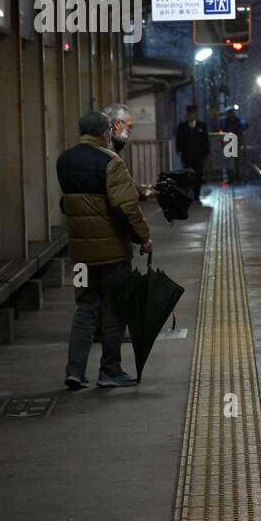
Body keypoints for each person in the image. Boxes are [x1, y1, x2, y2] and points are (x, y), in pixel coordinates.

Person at [56, 110, 151, 390]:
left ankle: (74, 371)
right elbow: (125, 207)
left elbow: (67, 205)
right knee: (114, 310)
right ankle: (110, 370)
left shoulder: (64, 161)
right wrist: (142, 238)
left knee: (85, 309)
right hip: (112, 254)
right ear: (107, 133)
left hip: (81, 257)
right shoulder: (111, 161)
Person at [175, 105, 210, 202]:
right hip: (187, 156)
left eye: (193, 113)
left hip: (199, 156)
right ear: (187, 114)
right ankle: (189, 194)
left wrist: (206, 152)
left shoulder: (201, 125)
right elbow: (179, 139)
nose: (191, 115)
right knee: (188, 176)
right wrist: (179, 150)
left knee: (198, 175)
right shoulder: (182, 126)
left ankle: (196, 194)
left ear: (196, 114)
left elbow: (205, 140)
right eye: (190, 113)